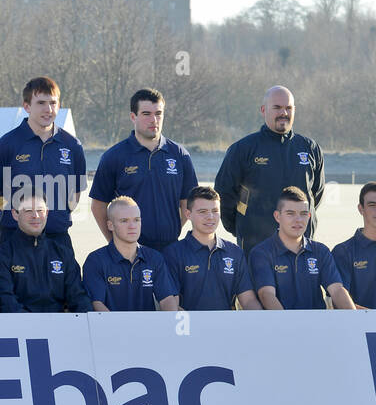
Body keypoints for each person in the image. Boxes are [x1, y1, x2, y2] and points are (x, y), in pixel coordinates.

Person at [0, 76, 86, 254]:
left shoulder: (72, 146)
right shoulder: (7, 144)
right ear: (27, 106)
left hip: (57, 238)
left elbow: (74, 195)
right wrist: (12, 218)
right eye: (41, 103)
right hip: (13, 238)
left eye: (53, 103)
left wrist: (54, 218)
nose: (48, 109)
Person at [214, 85, 325, 252]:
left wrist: (295, 222)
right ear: (263, 110)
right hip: (256, 247)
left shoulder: (310, 148)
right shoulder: (243, 149)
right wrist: (242, 228)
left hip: (301, 249)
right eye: (277, 107)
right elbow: (224, 195)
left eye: (288, 108)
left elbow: (316, 195)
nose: (284, 113)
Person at [89, 88, 197, 252]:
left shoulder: (180, 155)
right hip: (130, 252)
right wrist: (115, 243)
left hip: (170, 249)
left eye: (158, 113)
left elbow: (188, 204)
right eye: (146, 114)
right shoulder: (114, 156)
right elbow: (98, 205)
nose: (154, 120)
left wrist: (171, 229)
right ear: (133, 117)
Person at [250, 187, 355, 311]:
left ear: (309, 216)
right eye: (290, 213)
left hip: (317, 325)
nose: (298, 220)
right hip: (281, 326)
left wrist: (355, 319)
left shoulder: (320, 251)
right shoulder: (262, 253)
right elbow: (266, 295)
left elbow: (337, 290)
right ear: (277, 216)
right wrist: (290, 326)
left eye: (303, 214)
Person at [0, 192, 92, 313]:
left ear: (47, 213)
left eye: (40, 210)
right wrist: (37, 327)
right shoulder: (0, 257)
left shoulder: (63, 254)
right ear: (15, 214)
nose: (35, 216)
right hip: (19, 328)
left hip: (60, 327)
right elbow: (6, 303)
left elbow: (79, 299)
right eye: (28, 211)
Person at [164, 186, 260, 311]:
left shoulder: (234, 252)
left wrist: (262, 321)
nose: (210, 217)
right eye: (202, 211)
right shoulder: (173, 253)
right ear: (188, 214)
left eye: (215, 211)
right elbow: (171, 305)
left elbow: (248, 300)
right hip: (190, 328)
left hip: (226, 327)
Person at [82, 196, 180, 312]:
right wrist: (121, 329)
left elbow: (167, 299)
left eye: (136, 220)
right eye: (124, 221)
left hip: (149, 328)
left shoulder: (154, 258)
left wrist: (170, 321)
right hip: (110, 328)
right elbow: (97, 304)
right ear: (110, 225)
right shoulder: (95, 261)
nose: (132, 226)